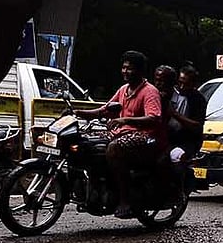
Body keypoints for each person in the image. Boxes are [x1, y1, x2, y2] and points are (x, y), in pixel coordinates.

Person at [75, 50, 164, 218]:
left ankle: (125, 199)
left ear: (139, 71)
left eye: (129, 68)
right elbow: (105, 110)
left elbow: (154, 118)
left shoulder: (149, 91)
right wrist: (79, 112)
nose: (125, 71)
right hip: (120, 133)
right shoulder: (124, 89)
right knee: (88, 142)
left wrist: (125, 121)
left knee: (114, 148)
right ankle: (95, 187)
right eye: (123, 68)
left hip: (144, 136)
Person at [169, 63, 207, 163]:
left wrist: (175, 114)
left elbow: (197, 126)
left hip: (188, 141)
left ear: (193, 84)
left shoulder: (198, 100)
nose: (182, 87)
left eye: (186, 84)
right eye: (180, 82)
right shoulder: (171, 93)